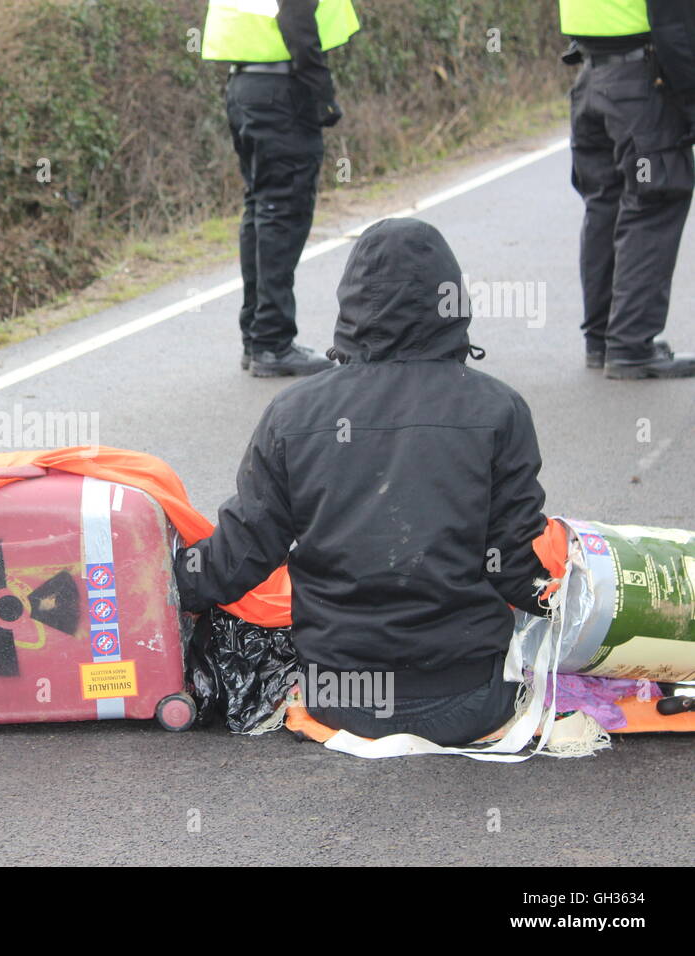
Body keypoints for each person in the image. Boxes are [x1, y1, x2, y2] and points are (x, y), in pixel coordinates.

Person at [174, 218, 553, 747]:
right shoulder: (499, 409)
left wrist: (160, 589)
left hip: (339, 698)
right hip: (469, 697)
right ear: (453, 300)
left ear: (350, 303)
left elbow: (240, 555)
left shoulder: (293, 412)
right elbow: (521, 568)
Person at [201, 0, 359, 378]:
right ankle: (271, 343)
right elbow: (299, 26)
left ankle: (257, 340)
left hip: (246, 86)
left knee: (262, 208)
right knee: (282, 211)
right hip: (280, 91)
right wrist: (323, 94)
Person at [561, 0, 695, 378]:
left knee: (606, 205)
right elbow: (676, 21)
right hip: (640, 87)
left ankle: (603, 340)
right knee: (654, 201)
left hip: (591, 79)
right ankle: (631, 346)